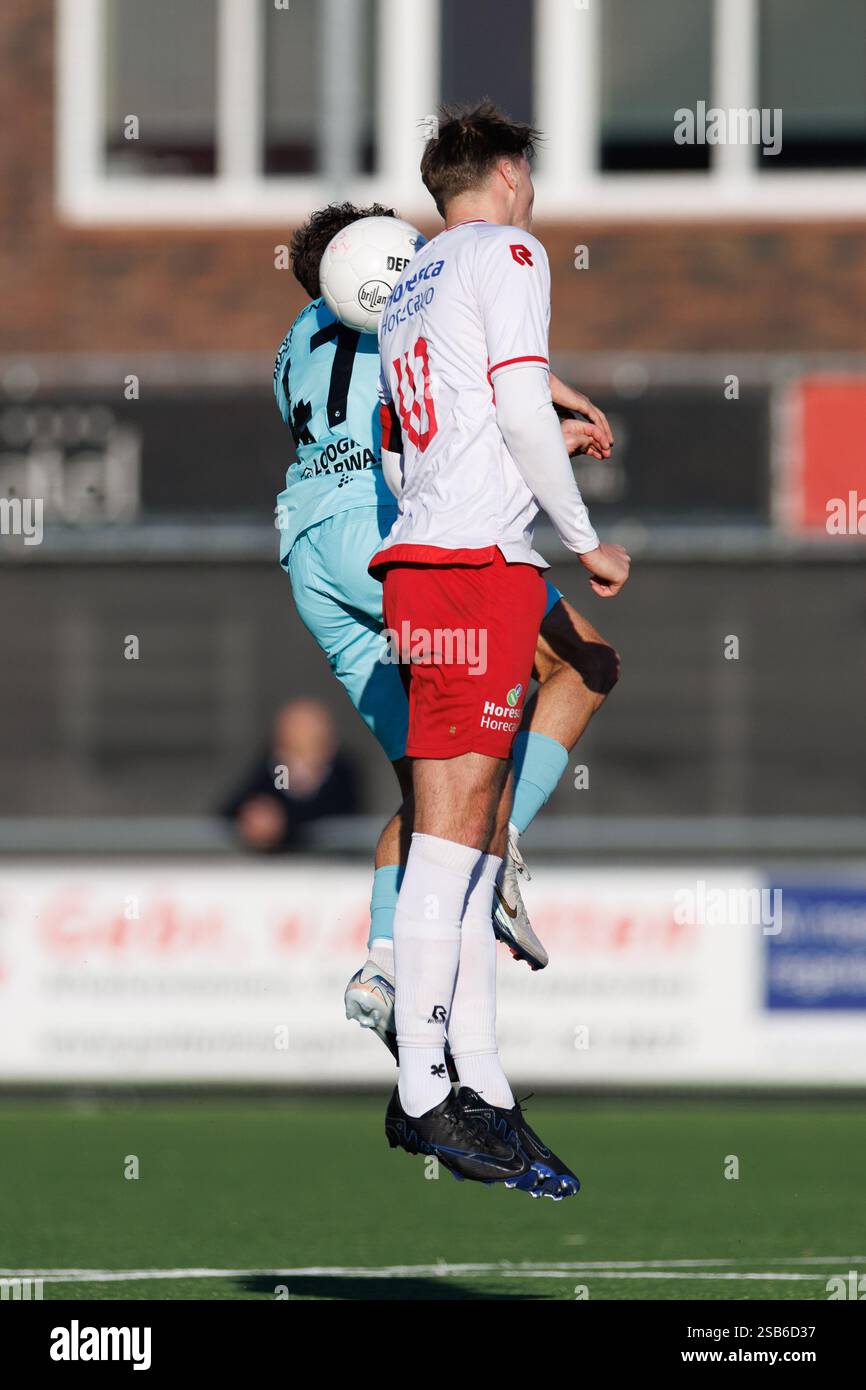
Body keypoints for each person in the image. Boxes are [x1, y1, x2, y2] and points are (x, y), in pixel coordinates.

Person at [368, 100, 630, 1191]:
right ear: (510, 175)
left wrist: (534, 439)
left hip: (423, 560)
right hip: (476, 570)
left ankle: (481, 1085)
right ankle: (424, 1090)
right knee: (454, 833)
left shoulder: (412, 284)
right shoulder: (508, 247)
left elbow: (443, 432)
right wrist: (581, 538)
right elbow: (518, 403)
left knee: (470, 843)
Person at [220, 699, 359, 851]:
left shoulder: (342, 769)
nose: (300, 733)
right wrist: (252, 816)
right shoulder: (274, 766)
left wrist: (284, 823)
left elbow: (344, 815)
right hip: (278, 866)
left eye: (307, 727)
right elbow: (235, 807)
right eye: (295, 726)